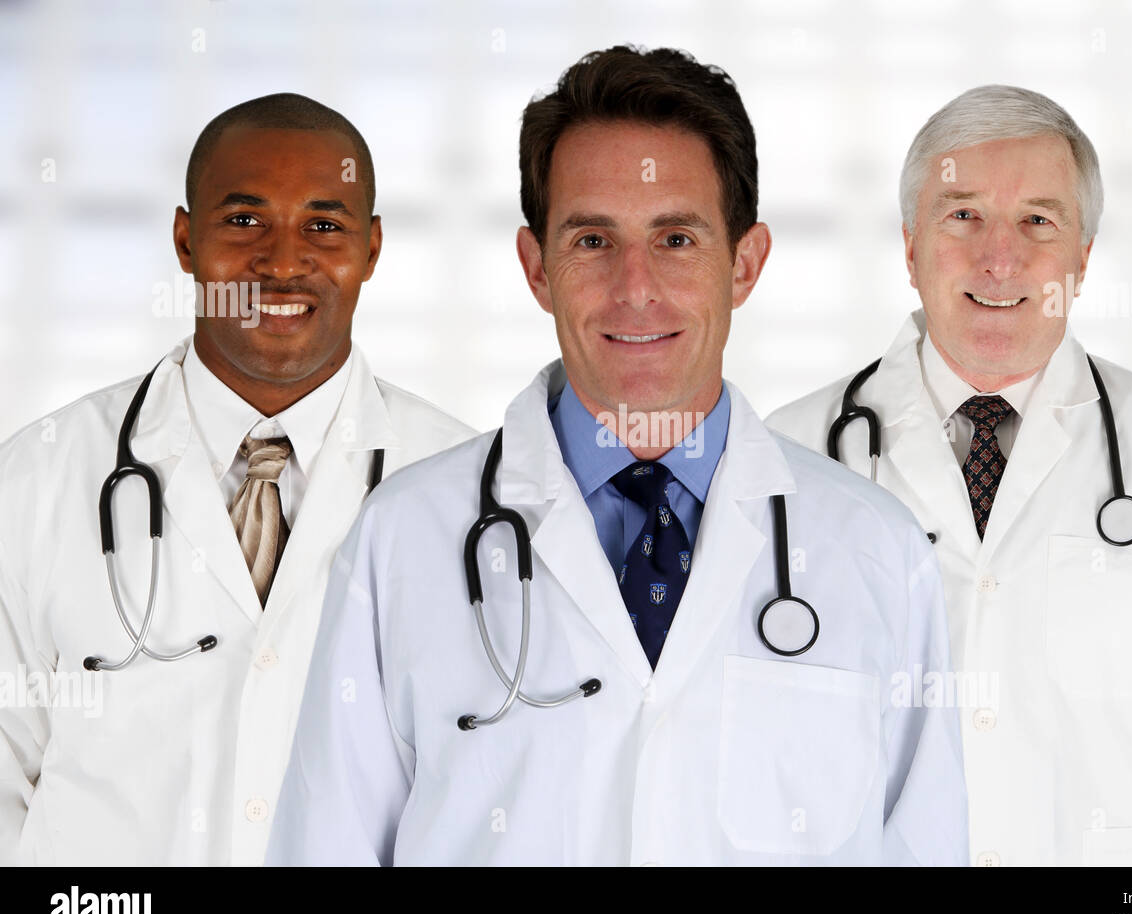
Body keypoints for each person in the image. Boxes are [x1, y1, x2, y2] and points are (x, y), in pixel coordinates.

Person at [267, 46, 968, 866]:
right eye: (593, 239)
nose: (635, 287)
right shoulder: (401, 541)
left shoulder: (875, 548)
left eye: (675, 237)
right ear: (537, 269)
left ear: (744, 264)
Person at [766, 84, 1132, 866]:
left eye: (1038, 222)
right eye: (963, 214)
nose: (1000, 257)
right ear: (910, 244)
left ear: (1082, 256)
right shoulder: (788, 459)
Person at [0, 93, 476, 865]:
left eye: (324, 226)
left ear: (373, 249)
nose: (283, 262)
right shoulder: (38, 479)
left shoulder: (464, 490)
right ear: (186, 241)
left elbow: (489, 790)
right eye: (244, 220)